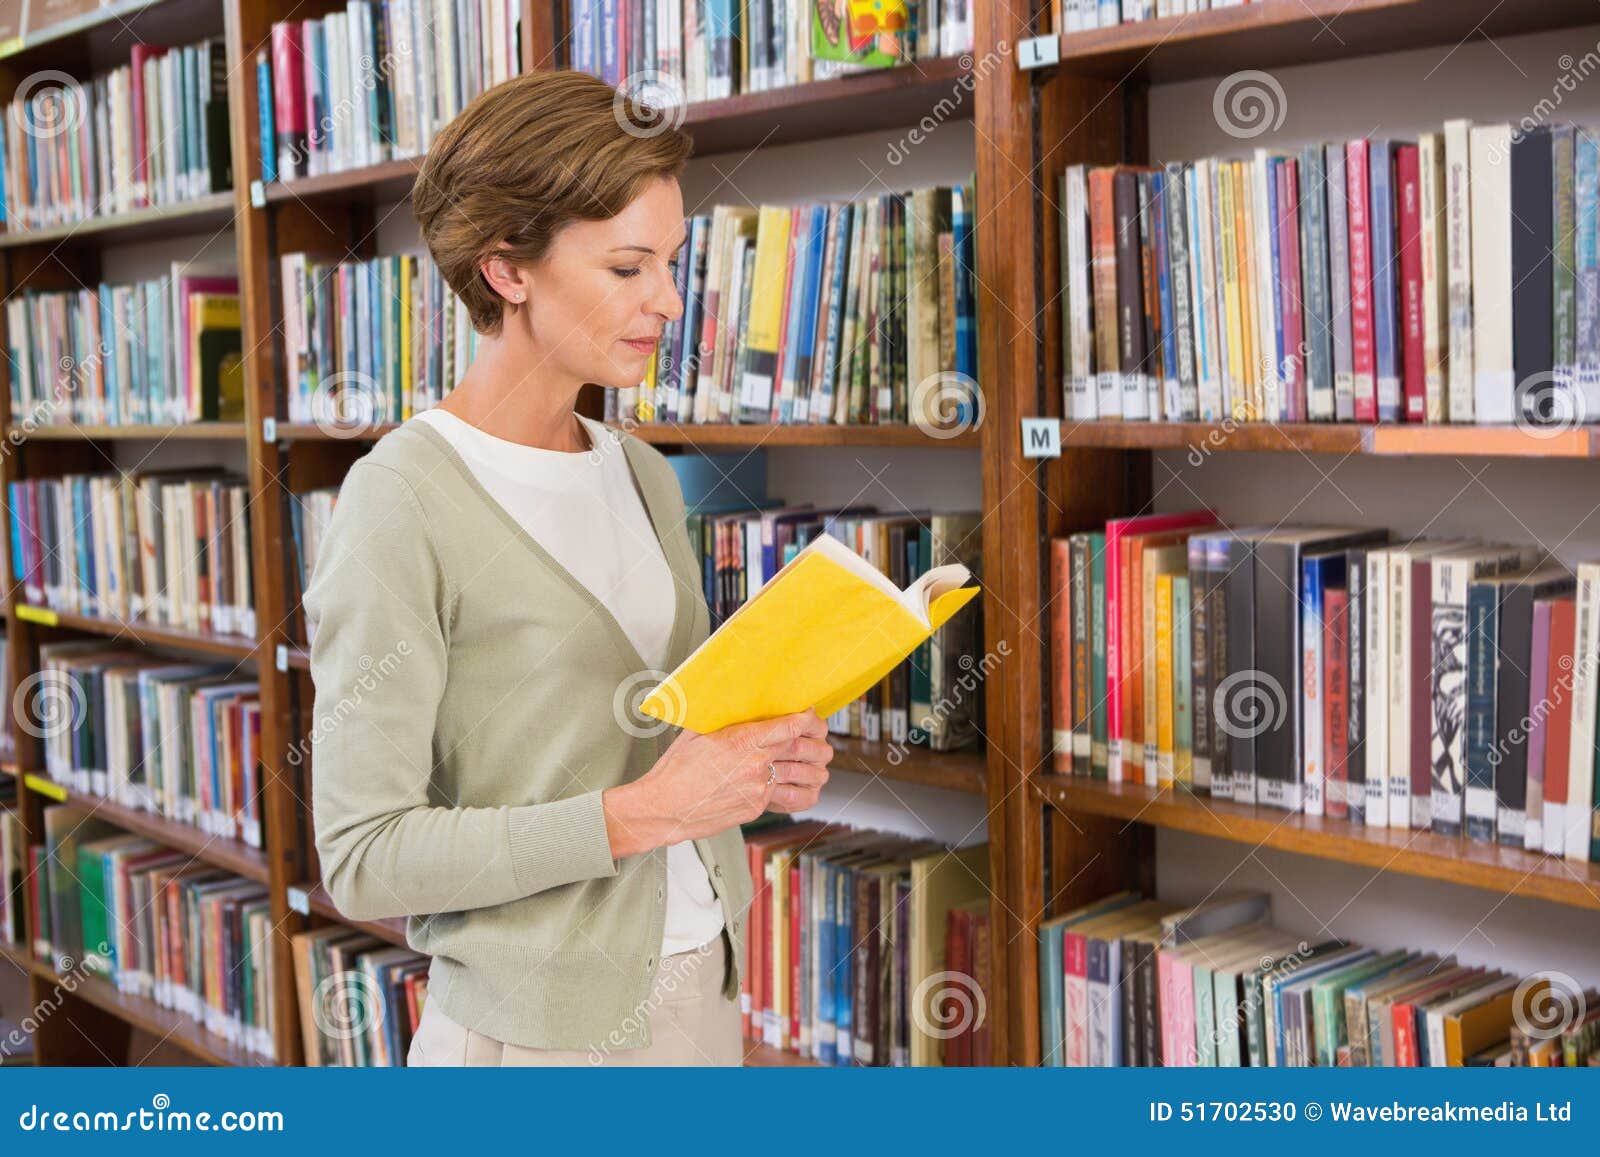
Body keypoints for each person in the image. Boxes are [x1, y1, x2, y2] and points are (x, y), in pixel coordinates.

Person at [303, 69, 833, 1067]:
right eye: (629, 267)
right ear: (509, 269)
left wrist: (752, 764)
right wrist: (643, 814)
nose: (668, 301)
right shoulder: (401, 500)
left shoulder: (638, 470)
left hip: (701, 989)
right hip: (532, 1036)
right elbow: (365, 856)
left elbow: (650, 738)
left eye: (670, 264)